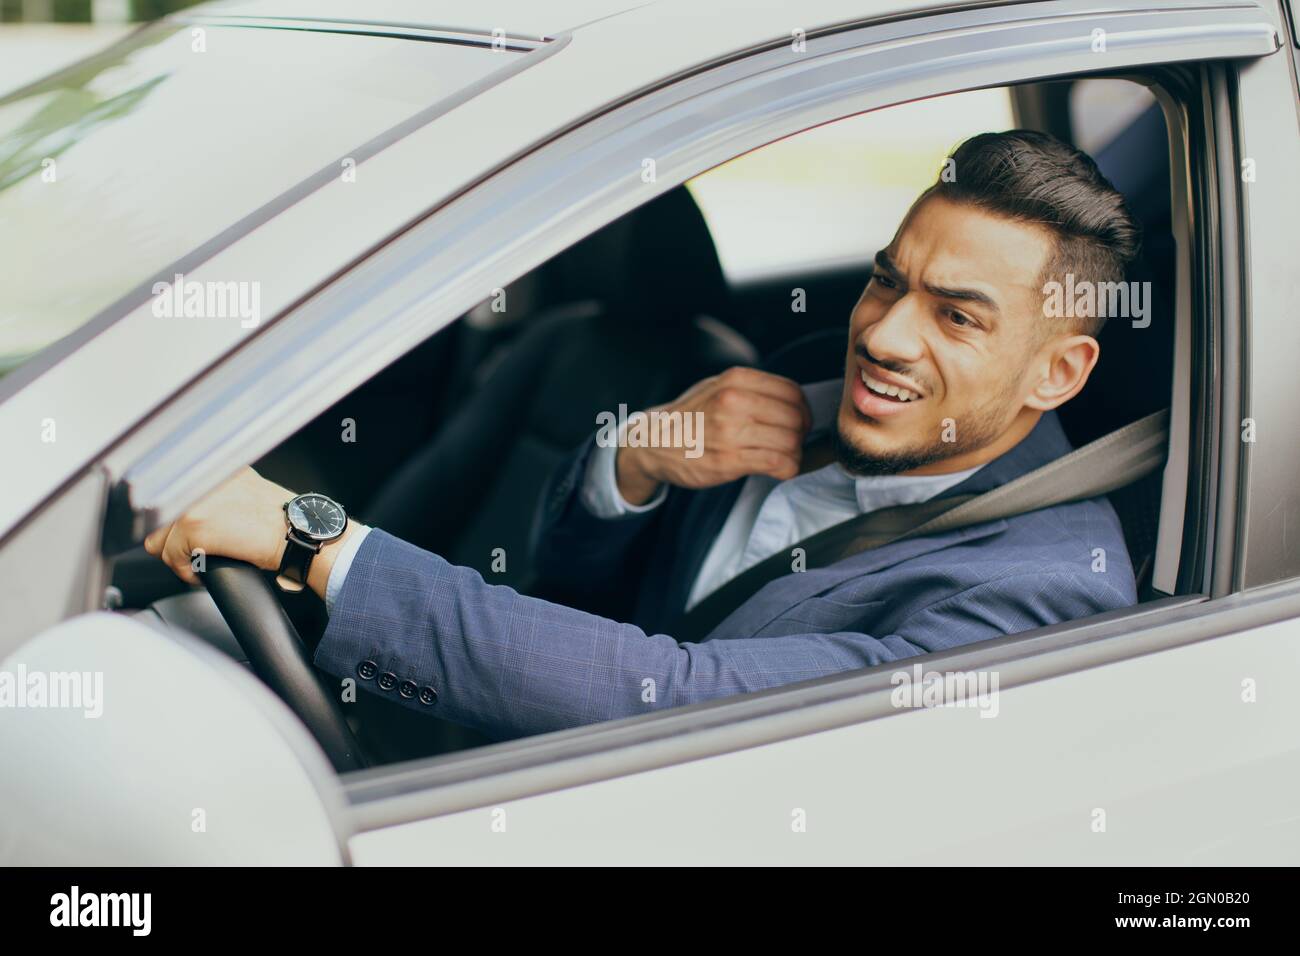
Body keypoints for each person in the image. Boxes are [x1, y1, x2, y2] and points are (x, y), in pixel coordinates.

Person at [146, 130, 1141, 740]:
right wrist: (629, 466)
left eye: (955, 316)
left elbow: (673, 695)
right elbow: (581, 598)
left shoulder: (1041, 591)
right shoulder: (784, 396)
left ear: (1056, 372)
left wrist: (312, 539)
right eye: (888, 278)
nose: (879, 333)